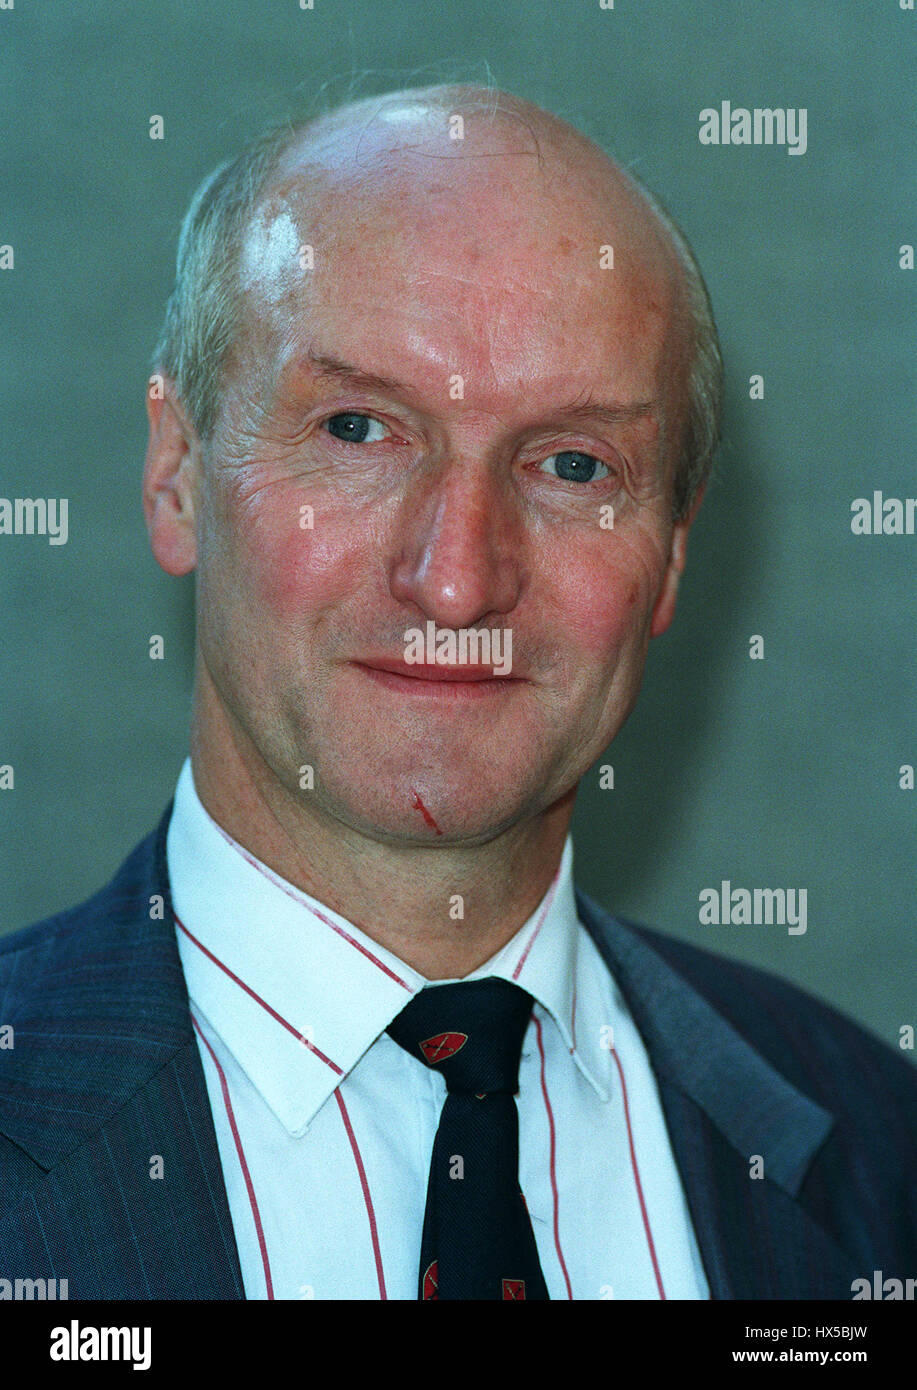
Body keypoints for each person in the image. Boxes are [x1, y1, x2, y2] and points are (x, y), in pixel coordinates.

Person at [1, 83, 914, 1302]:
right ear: (175, 474)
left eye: (573, 462)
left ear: (671, 555)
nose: (455, 578)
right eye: (357, 429)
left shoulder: (878, 1155)